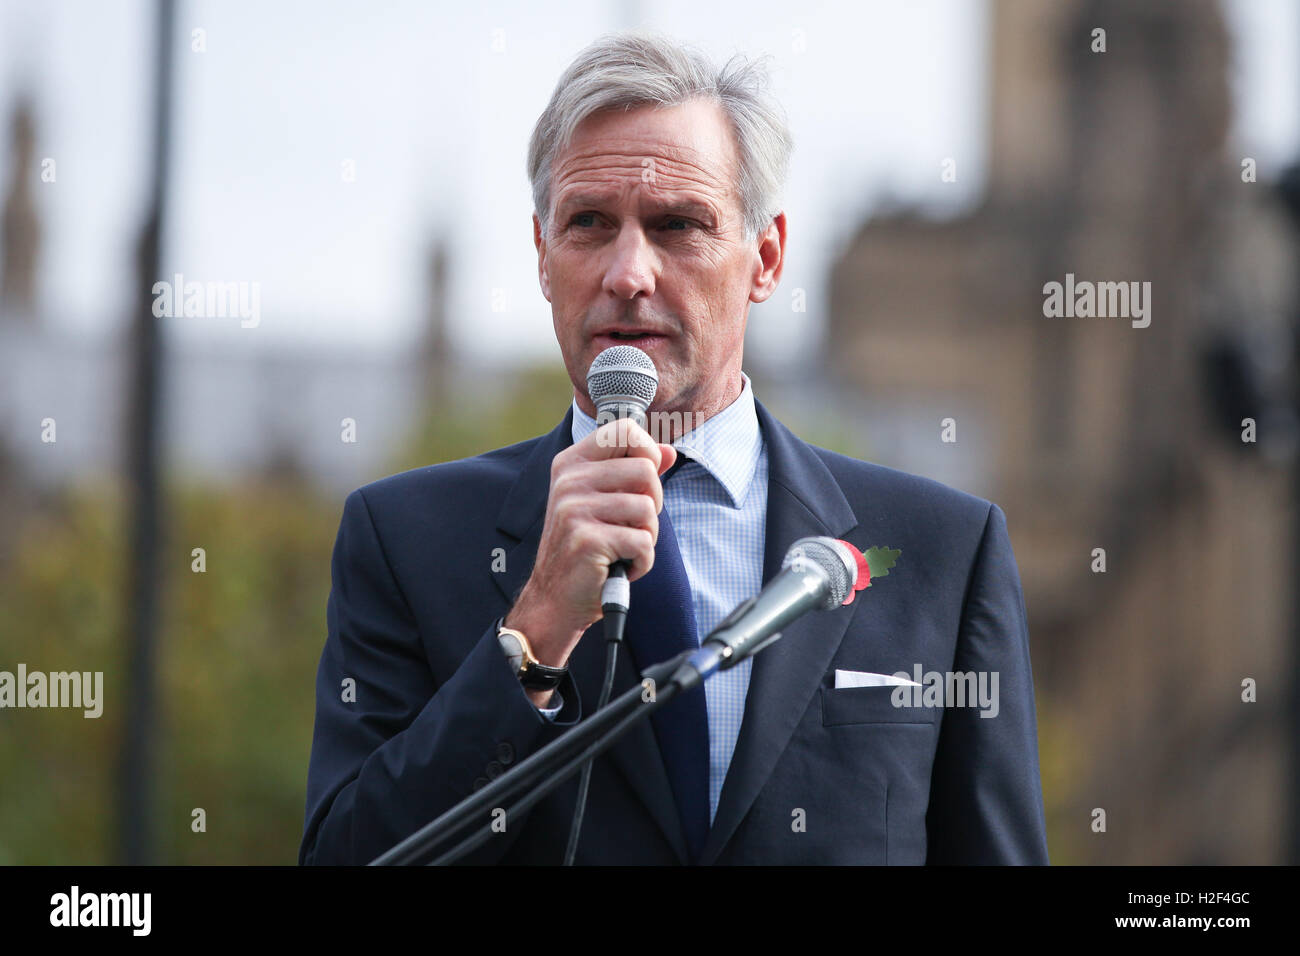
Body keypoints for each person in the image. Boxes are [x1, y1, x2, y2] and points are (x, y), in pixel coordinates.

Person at [299, 31, 1049, 866]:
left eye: (677, 225)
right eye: (588, 224)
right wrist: (536, 630)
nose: (628, 272)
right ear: (543, 257)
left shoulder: (942, 552)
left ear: (764, 259)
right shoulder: (402, 539)